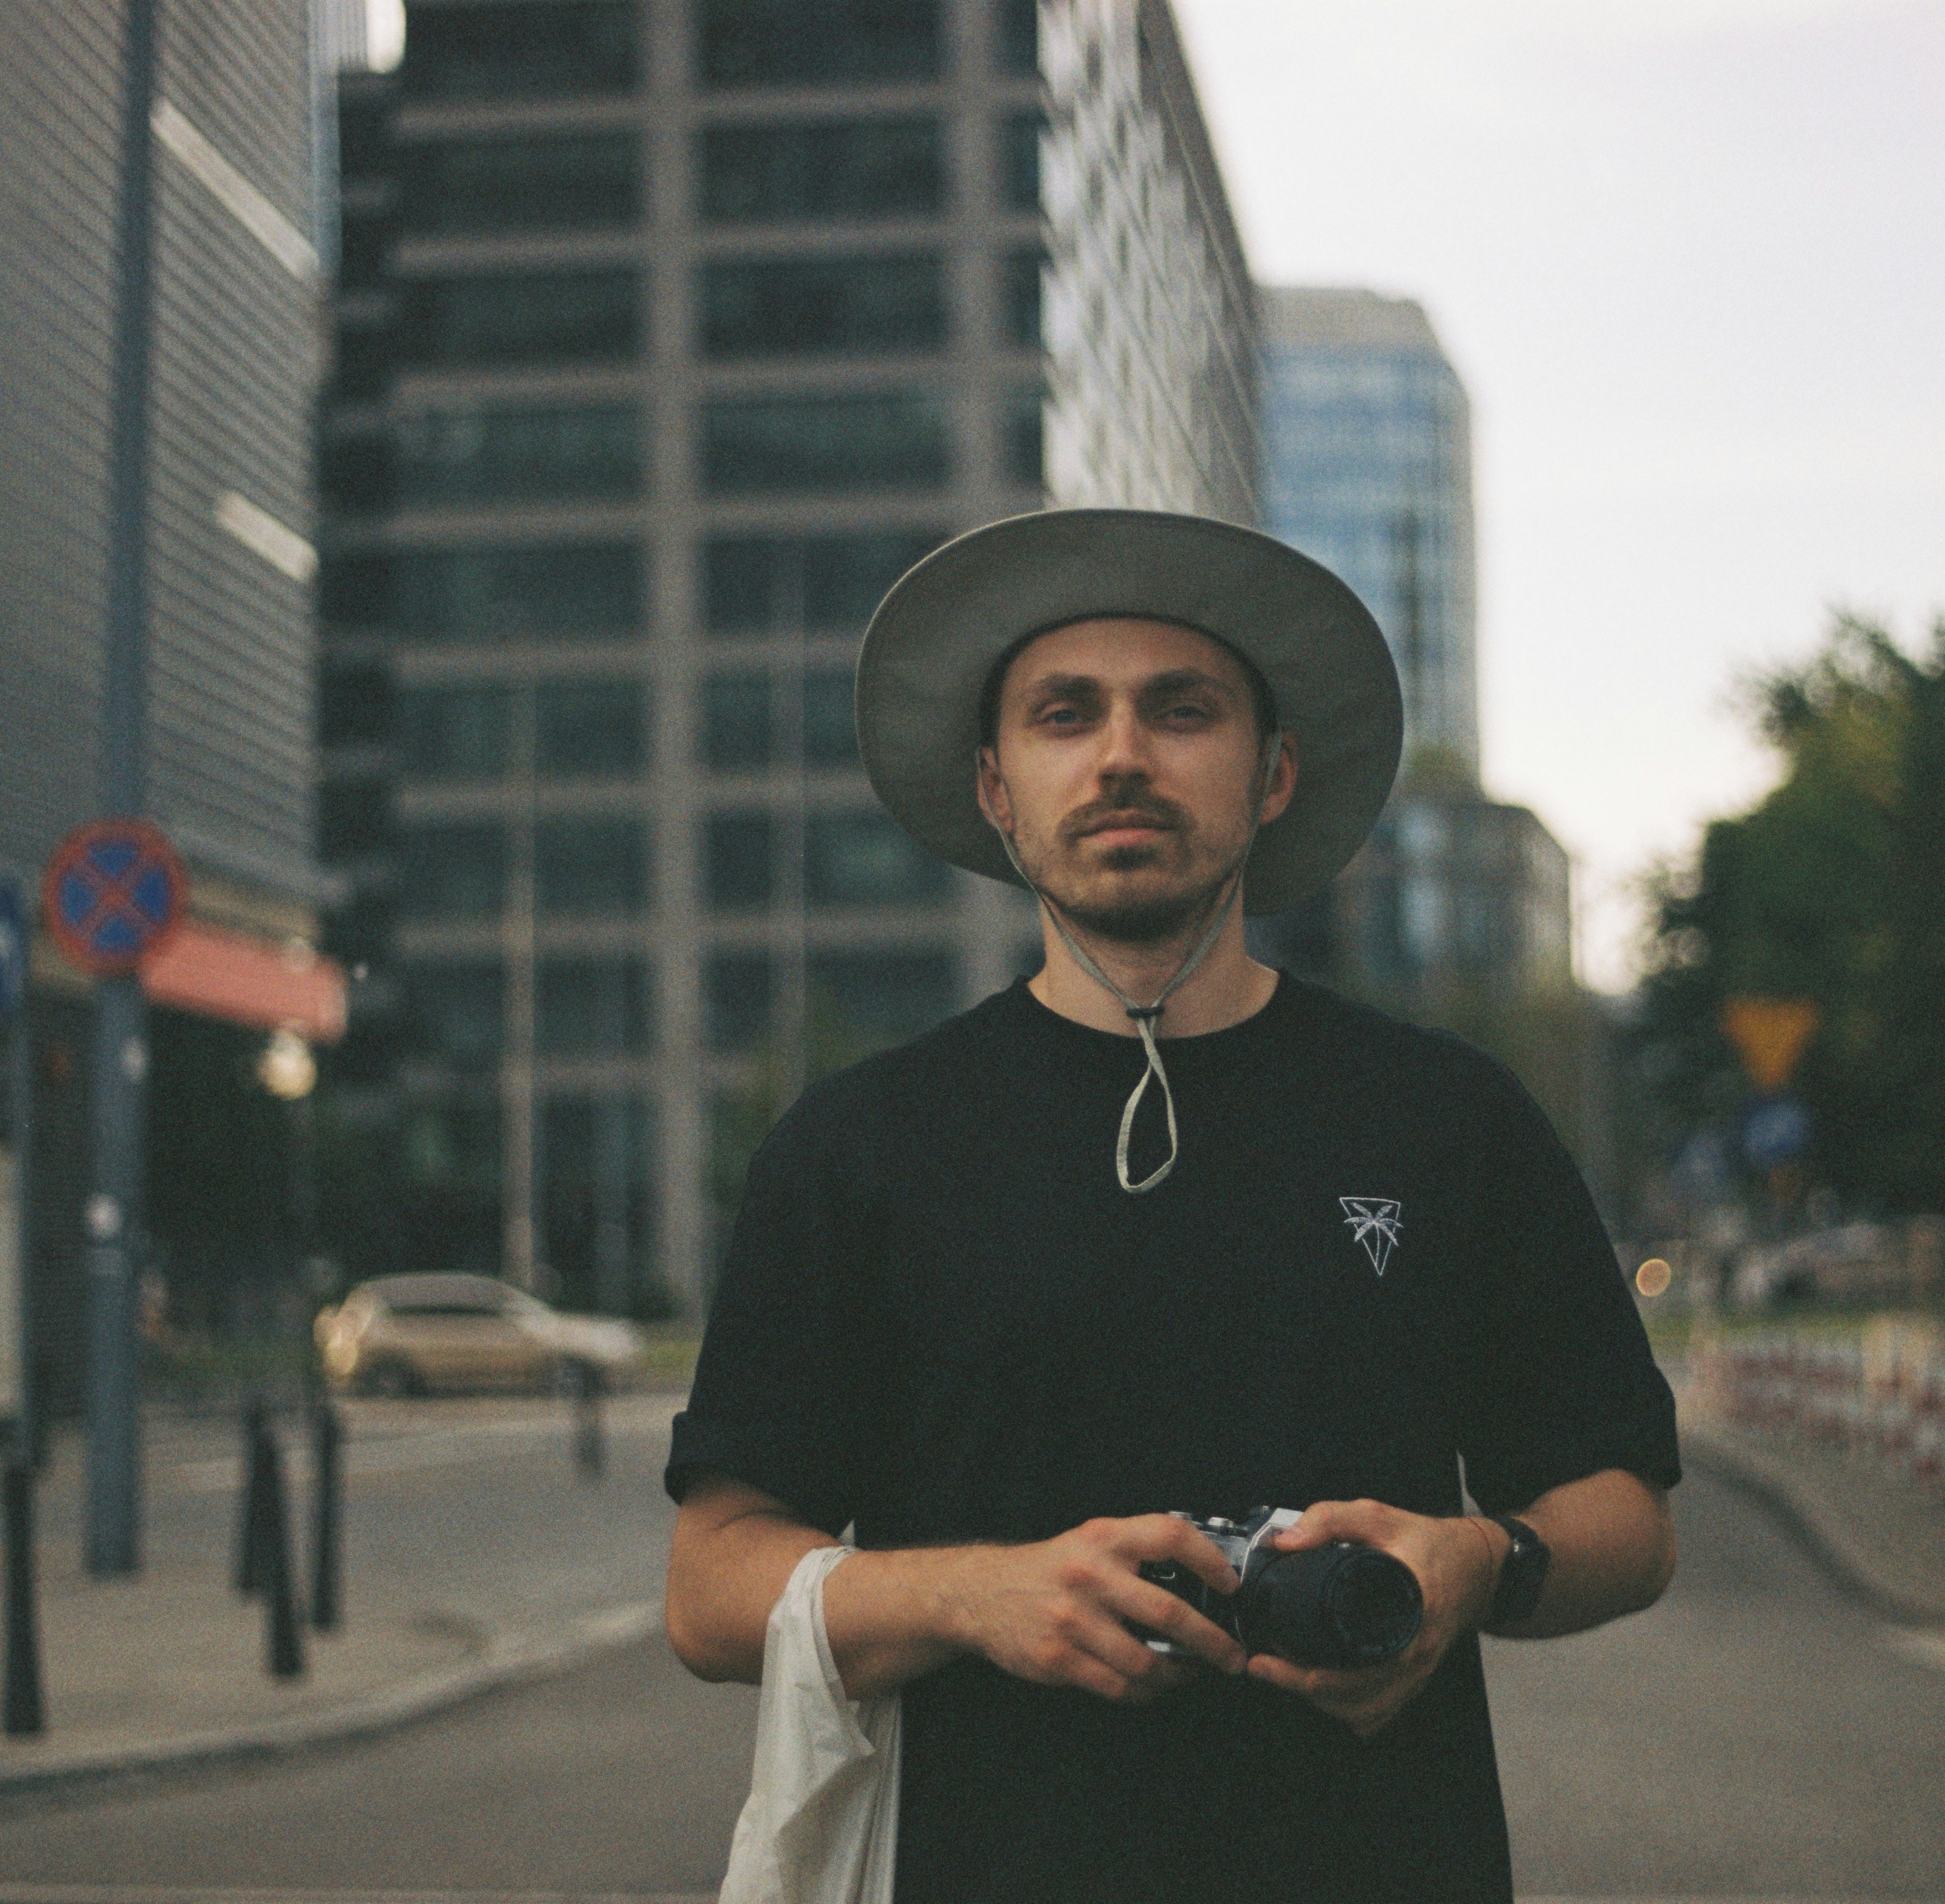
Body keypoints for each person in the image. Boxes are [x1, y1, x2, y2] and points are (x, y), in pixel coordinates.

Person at [665, 509, 1679, 1903]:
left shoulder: (1448, 1118)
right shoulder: (859, 1147)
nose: (1122, 755)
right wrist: (977, 1594)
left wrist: (1475, 1564)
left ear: (1273, 775)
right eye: (1064, 714)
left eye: (1181, 709)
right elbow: (709, 1588)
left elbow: (1629, 1518)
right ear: (995, 787)